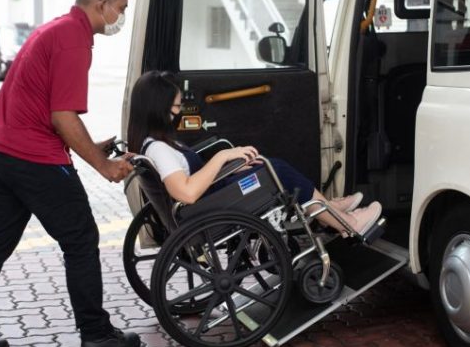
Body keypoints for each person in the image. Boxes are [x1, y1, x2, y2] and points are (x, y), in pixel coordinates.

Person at [0, 0, 140, 347]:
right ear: (101, 5)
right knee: (81, 239)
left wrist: (93, 147)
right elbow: (62, 116)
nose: (122, 16)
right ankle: (97, 336)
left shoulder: (52, 29)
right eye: (121, 7)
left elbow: (47, 111)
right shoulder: (73, 40)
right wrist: (105, 166)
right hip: (30, 157)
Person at [127, 71, 383, 237]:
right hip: (205, 210)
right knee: (277, 172)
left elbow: (191, 179)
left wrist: (230, 169)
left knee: (265, 165)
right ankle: (343, 221)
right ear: (157, 109)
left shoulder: (154, 143)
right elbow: (187, 192)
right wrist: (222, 158)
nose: (180, 110)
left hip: (211, 200)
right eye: (175, 106)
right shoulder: (159, 149)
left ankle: (328, 208)